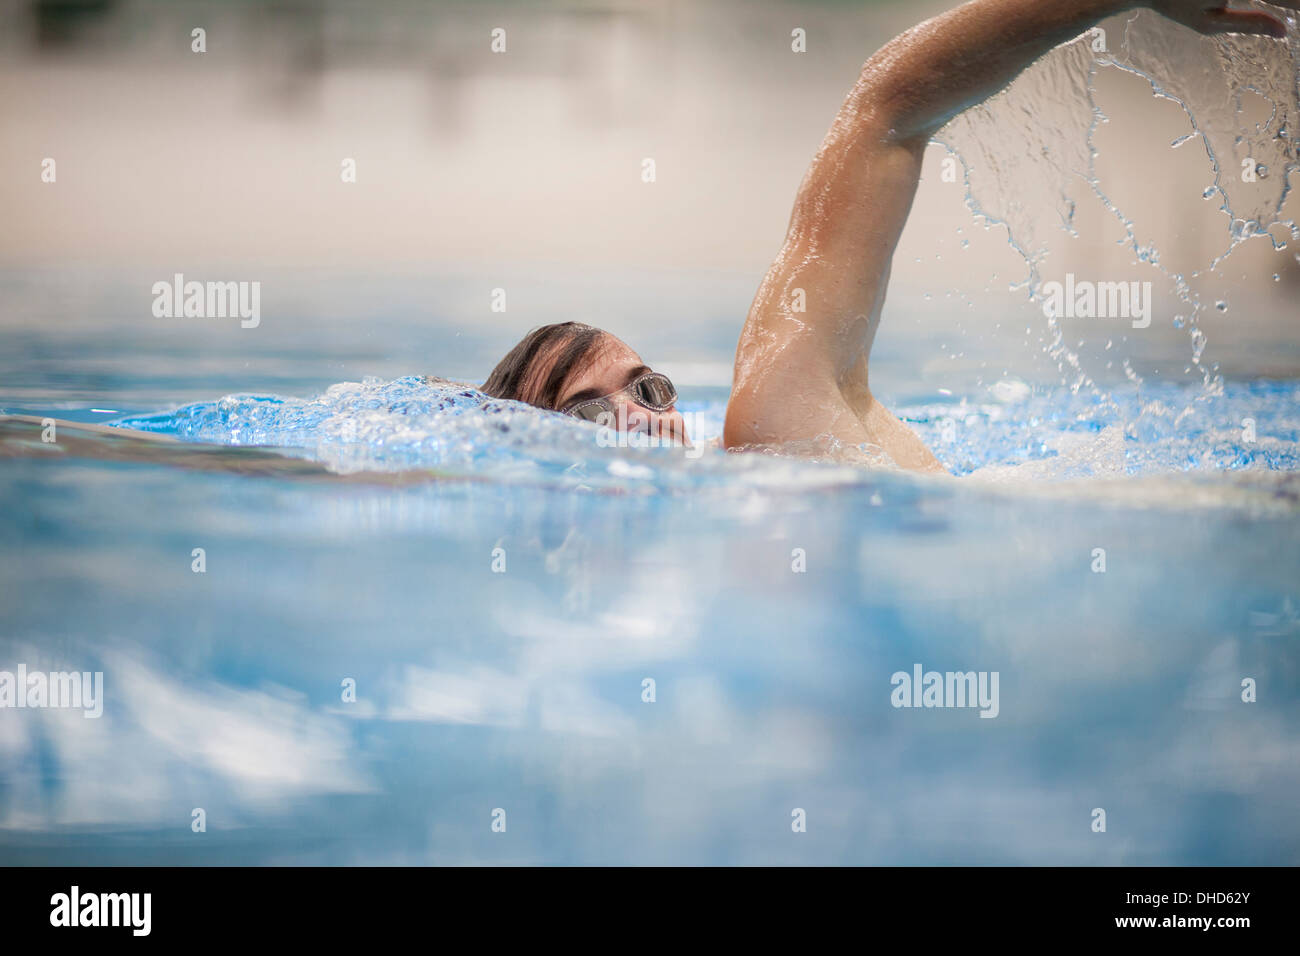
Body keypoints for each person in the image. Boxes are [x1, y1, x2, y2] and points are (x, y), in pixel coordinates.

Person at [479, 0, 1292, 473]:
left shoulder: (771, 426)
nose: (644, 418)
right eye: (592, 418)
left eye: (647, 388)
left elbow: (886, 110)